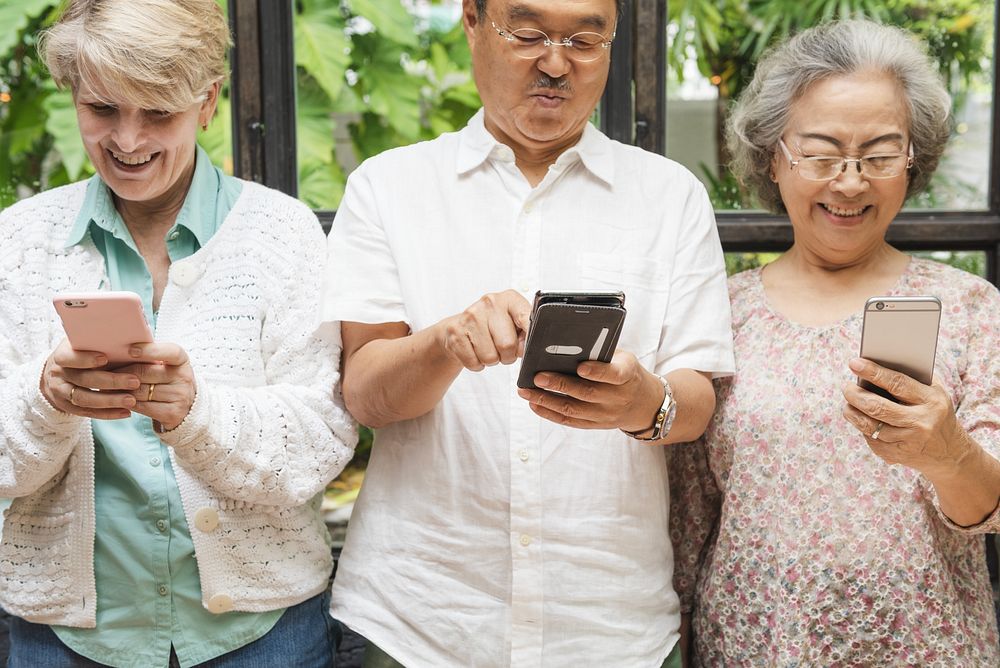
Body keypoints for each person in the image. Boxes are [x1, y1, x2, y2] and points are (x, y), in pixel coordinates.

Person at [323, 0, 735, 666]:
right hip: (418, 621)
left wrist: (640, 403)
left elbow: (696, 400)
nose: (555, 62)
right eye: (529, 33)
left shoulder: (669, 195)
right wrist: (443, 344)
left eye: (584, 39)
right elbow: (365, 396)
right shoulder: (389, 187)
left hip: (608, 627)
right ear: (471, 22)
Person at [0, 1, 356, 666]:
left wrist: (198, 413)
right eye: (102, 109)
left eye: (158, 113)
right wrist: (44, 396)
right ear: (73, 95)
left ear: (208, 103)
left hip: (263, 635)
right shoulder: (17, 241)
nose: (128, 141)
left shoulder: (282, 233)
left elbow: (322, 443)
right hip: (64, 638)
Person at [668, 19, 1000, 666]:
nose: (849, 184)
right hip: (754, 649)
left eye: (879, 155)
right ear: (773, 155)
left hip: (930, 650)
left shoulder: (969, 308)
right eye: (821, 154)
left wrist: (947, 452)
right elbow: (687, 521)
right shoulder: (721, 315)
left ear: (913, 158)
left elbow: (992, 508)